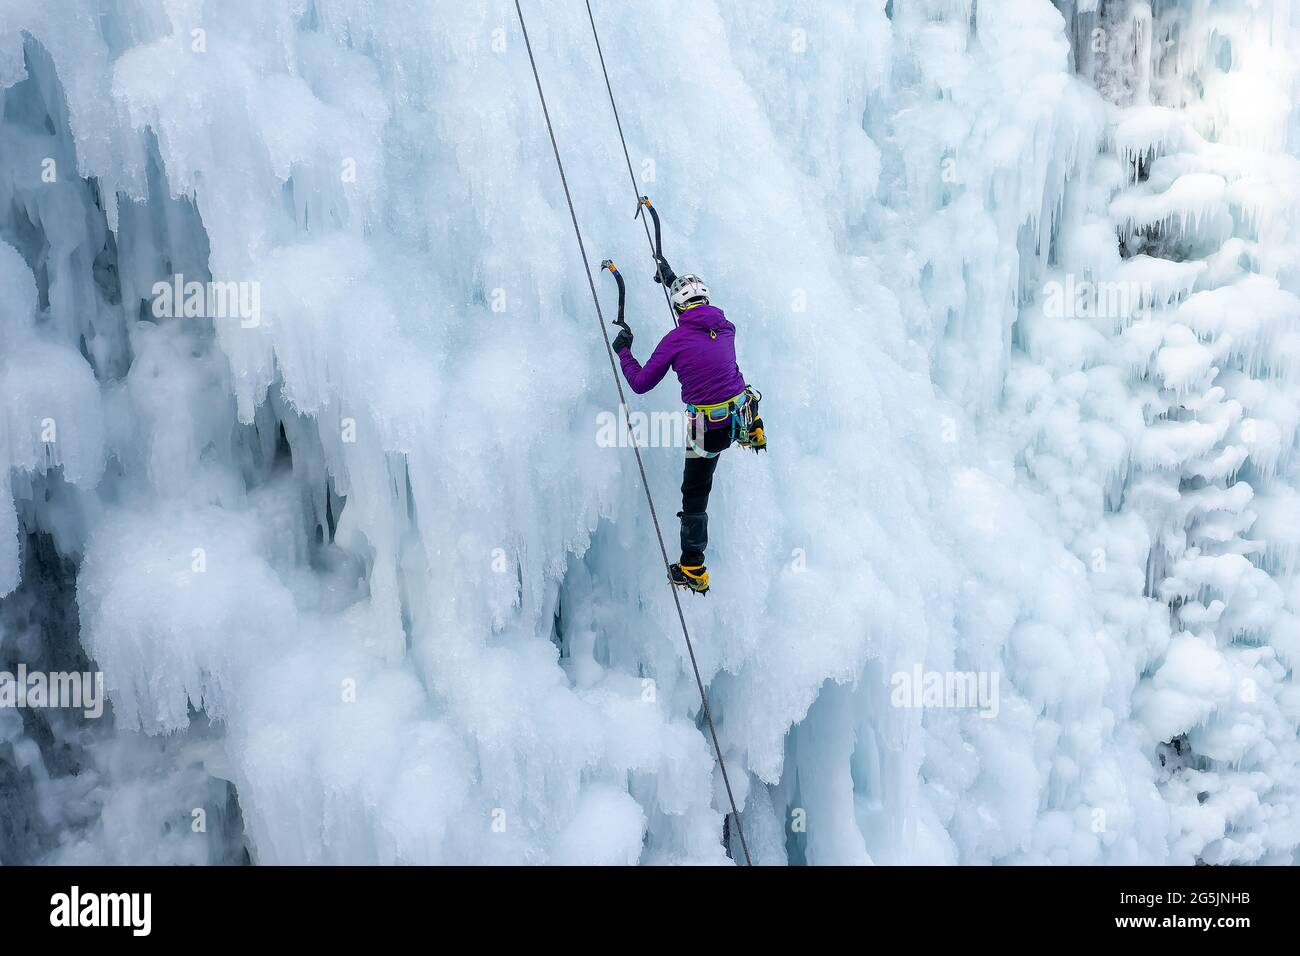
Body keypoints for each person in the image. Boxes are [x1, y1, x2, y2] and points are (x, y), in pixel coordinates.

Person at [607, 244, 764, 595]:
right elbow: (698, 313)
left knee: (695, 493)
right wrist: (672, 279)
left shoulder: (675, 340)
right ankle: (753, 429)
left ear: (678, 308)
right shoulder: (726, 329)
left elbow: (641, 383)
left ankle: (693, 567)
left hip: (704, 430)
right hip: (736, 416)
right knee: (738, 383)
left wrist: (624, 351)